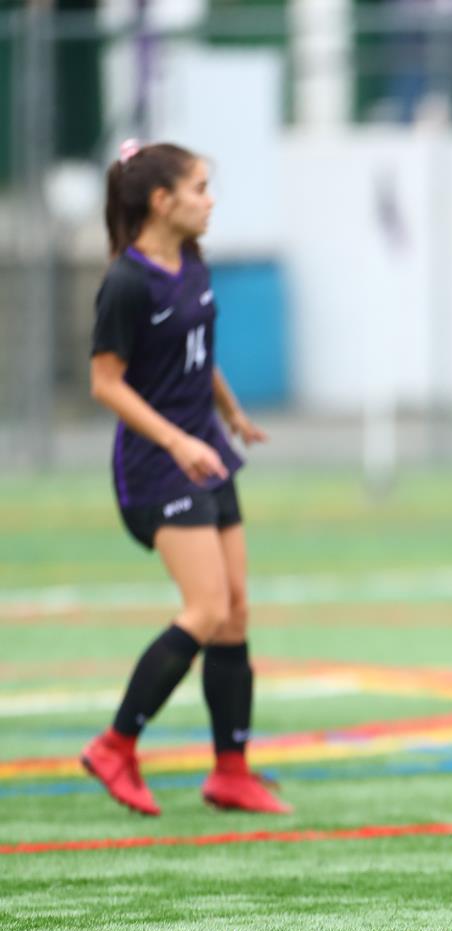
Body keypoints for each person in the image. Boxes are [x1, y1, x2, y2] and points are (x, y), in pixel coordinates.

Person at [78, 140, 289, 817]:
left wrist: (229, 413)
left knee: (235, 616)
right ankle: (115, 745)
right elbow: (105, 383)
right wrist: (174, 439)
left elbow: (195, 351)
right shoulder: (127, 282)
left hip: (206, 455)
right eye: (200, 188)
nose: (211, 199)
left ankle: (231, 769)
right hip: (156, 466)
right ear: (161, 201)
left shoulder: (191, 262)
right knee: (204, 611)